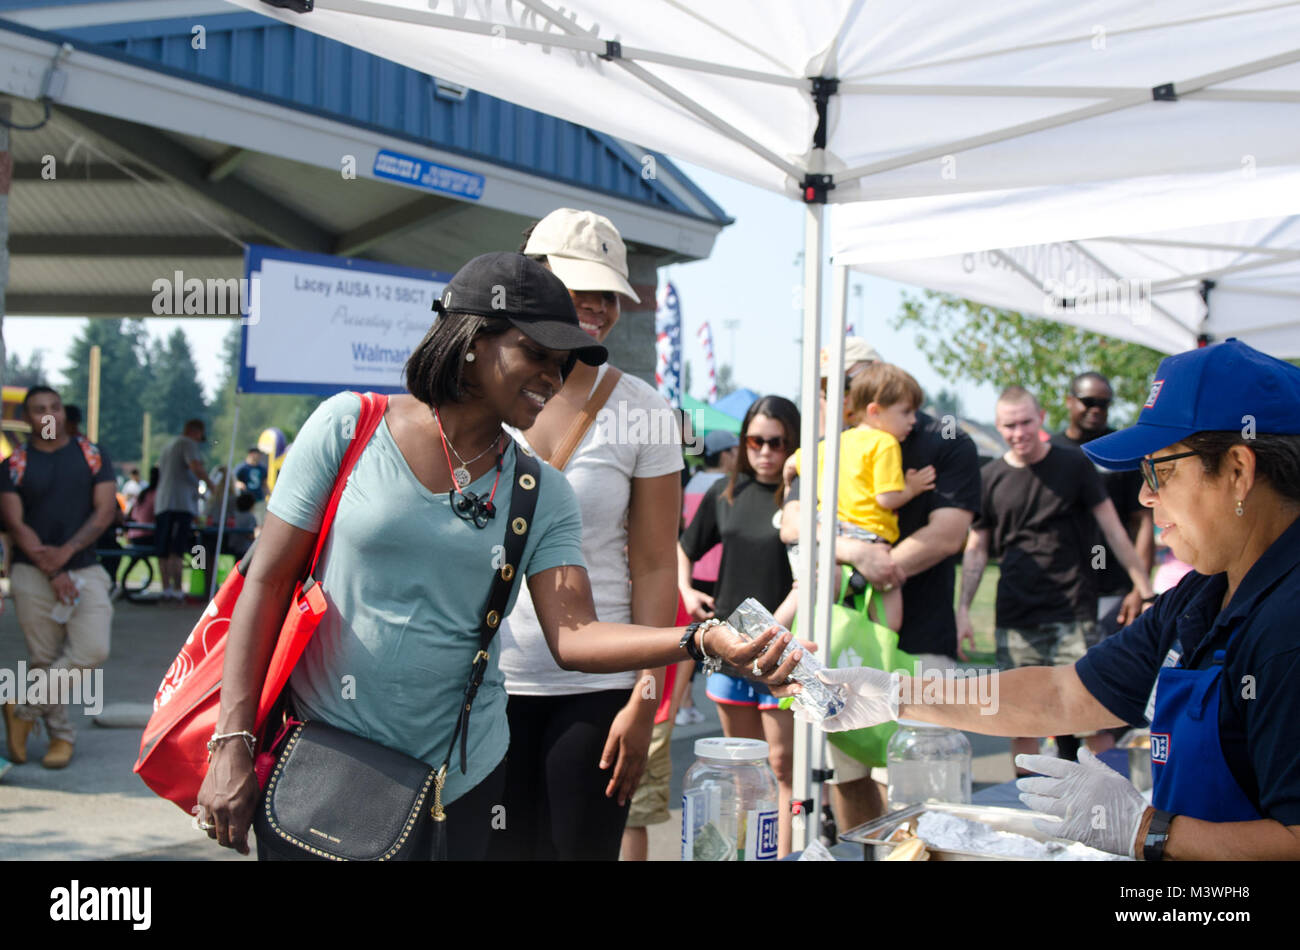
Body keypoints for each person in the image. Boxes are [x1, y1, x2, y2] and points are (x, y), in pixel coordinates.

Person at [194, 252, 797, 859]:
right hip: (326, 760)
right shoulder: (349, 428)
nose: (553, 379)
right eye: (536, 353)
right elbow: (265, 585)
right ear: (473, 340)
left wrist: (699, 640)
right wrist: (232, 741)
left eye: (562, 366)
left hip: (458, 783)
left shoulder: (541, 492)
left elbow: (575, 633)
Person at [799, 339, 1300, 860]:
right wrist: (897, 695)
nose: (1145, 496)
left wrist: (1150, 830)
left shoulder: (1288, 624)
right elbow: (1062, 693)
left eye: (1159, 471)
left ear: (1239, 471)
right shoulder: (1202, 595)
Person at [488, 209, 683, 862]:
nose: (597, 306)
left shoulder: (648, 412)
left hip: (597, 693)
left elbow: (655, 565)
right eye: (580, 287)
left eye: (610, 292)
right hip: (480, 685)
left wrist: (644, 694)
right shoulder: (477, 394)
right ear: (531, 282)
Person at [780, 345, 982, 831]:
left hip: (920, 646)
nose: (833, 398)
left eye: (841, 386)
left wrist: (878, 565)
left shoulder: (943, 438)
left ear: (872, 381)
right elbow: (791, 521)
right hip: (840, 644)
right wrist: (856, 556)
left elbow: (950, 533)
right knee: (848, 777)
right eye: (826, 389)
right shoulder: (832, 444)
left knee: (924, 789)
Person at [959, 385, 1156, 774]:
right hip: (1015, 615)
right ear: (999, 427)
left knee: (1091, 714)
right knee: (1020, 717)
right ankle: (1024, 804)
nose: (1019, 433)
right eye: (1010, 426)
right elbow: (977, 547)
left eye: (1026, 422)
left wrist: (1145, 590)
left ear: (1042, 419)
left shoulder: (1074, 466)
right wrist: (963, 609)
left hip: (1072, 610)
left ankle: (1105, 807)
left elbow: (1114, 530)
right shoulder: (991, 477)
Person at [679, 395, 802, 857]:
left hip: (781, 654)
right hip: (728, 653)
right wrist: (687, 591)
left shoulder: (798, 501)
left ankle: (782, 854)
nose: (766, 451)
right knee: (742, 772)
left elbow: (808, 580)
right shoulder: (723, 494)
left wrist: (773, 630)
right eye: (756, 440)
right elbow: (684, 546)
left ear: (794, 443)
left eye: (778, 442)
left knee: (782, 767)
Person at [0, 386, 117, 769]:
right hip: (31, 571)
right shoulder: (14, 463)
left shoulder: (92, 455)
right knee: (44, 659)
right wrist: (53, 569)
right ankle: (60, 739)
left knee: (91, 649)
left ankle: (23, 711)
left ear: (62, 413)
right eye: (38, 410)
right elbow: (15, 524)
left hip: (84, 567)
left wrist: (65, 557)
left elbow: (104, 513)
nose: (48, 416)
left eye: (54, 408)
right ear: (27, 418)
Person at [786, 362, 936, 631]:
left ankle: (770, 632)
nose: (913, 421)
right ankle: (881, 654)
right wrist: (911, 488)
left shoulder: (834, 441)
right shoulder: (886, 442)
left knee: (812, 596)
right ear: (874, 411)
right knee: (890, 606)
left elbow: (794, 463)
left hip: (832, 535)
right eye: (906, 412)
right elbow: (886, 498)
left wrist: (788, 478)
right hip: (869, 538)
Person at [1050, 372, 1154, 637]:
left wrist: (1137, 590)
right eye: (1089, 401)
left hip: (1113, 590)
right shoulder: (1050, 452)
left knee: (1106, 674)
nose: (1097, 409)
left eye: (1105, 404)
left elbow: (1142, 521)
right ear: (1069, 401)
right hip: (1057, 592)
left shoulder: (1122, 451)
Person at [676, 428, 739, 726]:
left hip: (691, 574)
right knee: (712, 644)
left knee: (689, 642)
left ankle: (682, 703)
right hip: (717, 576)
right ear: (726, 454)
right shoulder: (726, 486)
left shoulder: (692, 483)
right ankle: (690, 702)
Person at [154, 420, 211, 602]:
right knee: (176, 550)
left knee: (163, 550)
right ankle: (178, 589)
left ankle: (166, 589)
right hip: (179, 504)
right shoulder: (188, 444)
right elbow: (195, 466)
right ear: (196, 432)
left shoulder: (168, 446)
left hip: (163, 504)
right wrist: (211, 485)